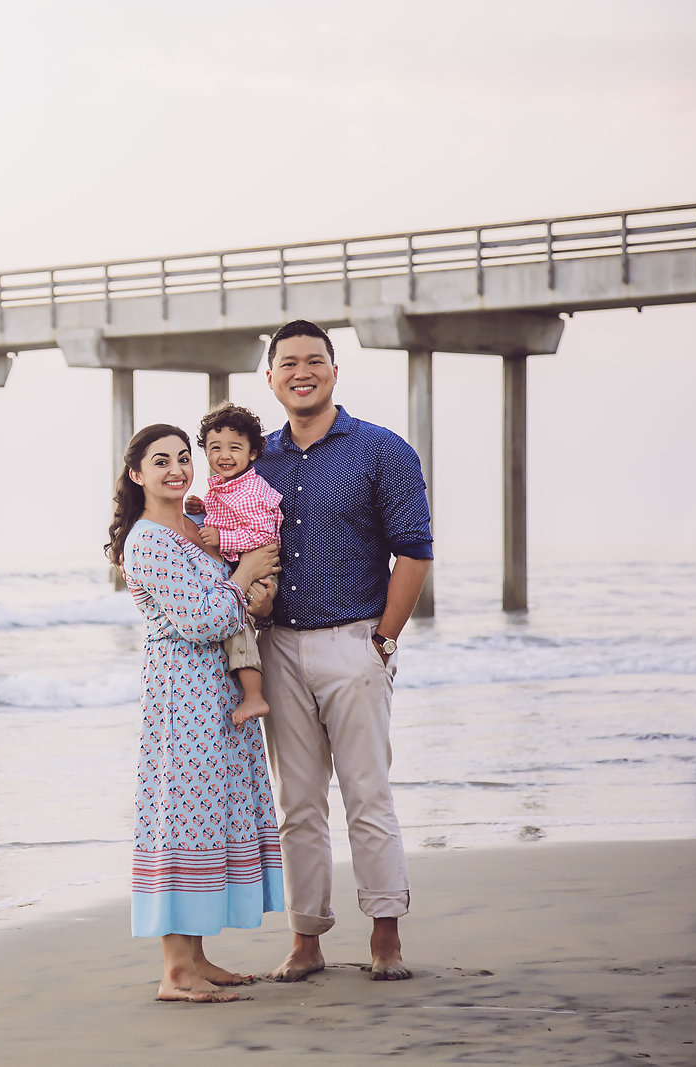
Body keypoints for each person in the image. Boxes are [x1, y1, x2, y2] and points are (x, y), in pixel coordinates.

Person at [252, 319, 434, 983]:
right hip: (277, 647)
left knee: (367, 793)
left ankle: (386, 935)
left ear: (334, 371)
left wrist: (384, 639)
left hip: (355, 641)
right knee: (296, 804)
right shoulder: (257, 461)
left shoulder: (382, 449)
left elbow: (414, 549)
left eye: (314, 361)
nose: (301, 372)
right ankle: (306, 940)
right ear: (271, 377)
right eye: (288, 363)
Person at [104, 423, 284, 1003]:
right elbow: (201, 621)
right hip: (182, 692)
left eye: (184, 457)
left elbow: (232, 608)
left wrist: (252, 589)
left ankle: (197, 958)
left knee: (208, 815)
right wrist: (244, 575)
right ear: (137, 475)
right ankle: (176, 971)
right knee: (182, 815)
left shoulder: (196, 526)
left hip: (219, 690)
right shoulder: (147, 540)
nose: (177, 469)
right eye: (160, 461)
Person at [186, 402, 284, 729]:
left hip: (260, 570)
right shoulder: (223, 486)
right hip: (242, 567)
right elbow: (225, 516)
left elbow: (264, 536)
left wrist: (222, 537)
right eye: (215, 447)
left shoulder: (251, 490)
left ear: (252, 453)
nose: (224, 455)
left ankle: (254, 696)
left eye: (235, 447)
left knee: (238, 627)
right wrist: (202, 508)